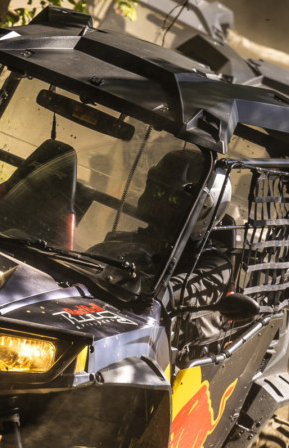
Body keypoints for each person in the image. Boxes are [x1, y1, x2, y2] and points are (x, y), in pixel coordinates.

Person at [91, 149, 237, 347]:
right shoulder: (126, 241)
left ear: (205, 211)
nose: (158, 203)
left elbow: (172, 295)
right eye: (157, 191)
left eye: (174, 200)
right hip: (112, 325)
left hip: (169, 355)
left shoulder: (215, 265)